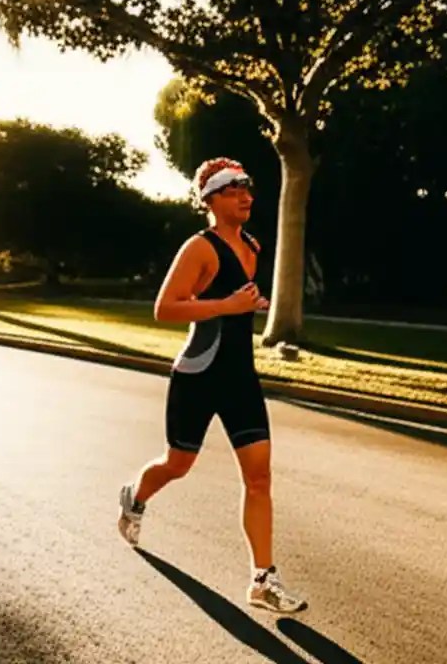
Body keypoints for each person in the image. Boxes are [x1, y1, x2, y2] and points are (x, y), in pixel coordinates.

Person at [117, 157, 307, 615]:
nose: (246, 196)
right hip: (198, 375)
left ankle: (262, 580)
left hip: (241, 377)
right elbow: (165, 308)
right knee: (178, 464)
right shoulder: (199, 248)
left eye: (248, 187)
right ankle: (135, 497)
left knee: (259, 477)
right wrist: (225, 305)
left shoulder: (253, 247)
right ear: (210, 199)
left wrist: (248, 305)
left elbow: (231, 306)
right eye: (234, 189)